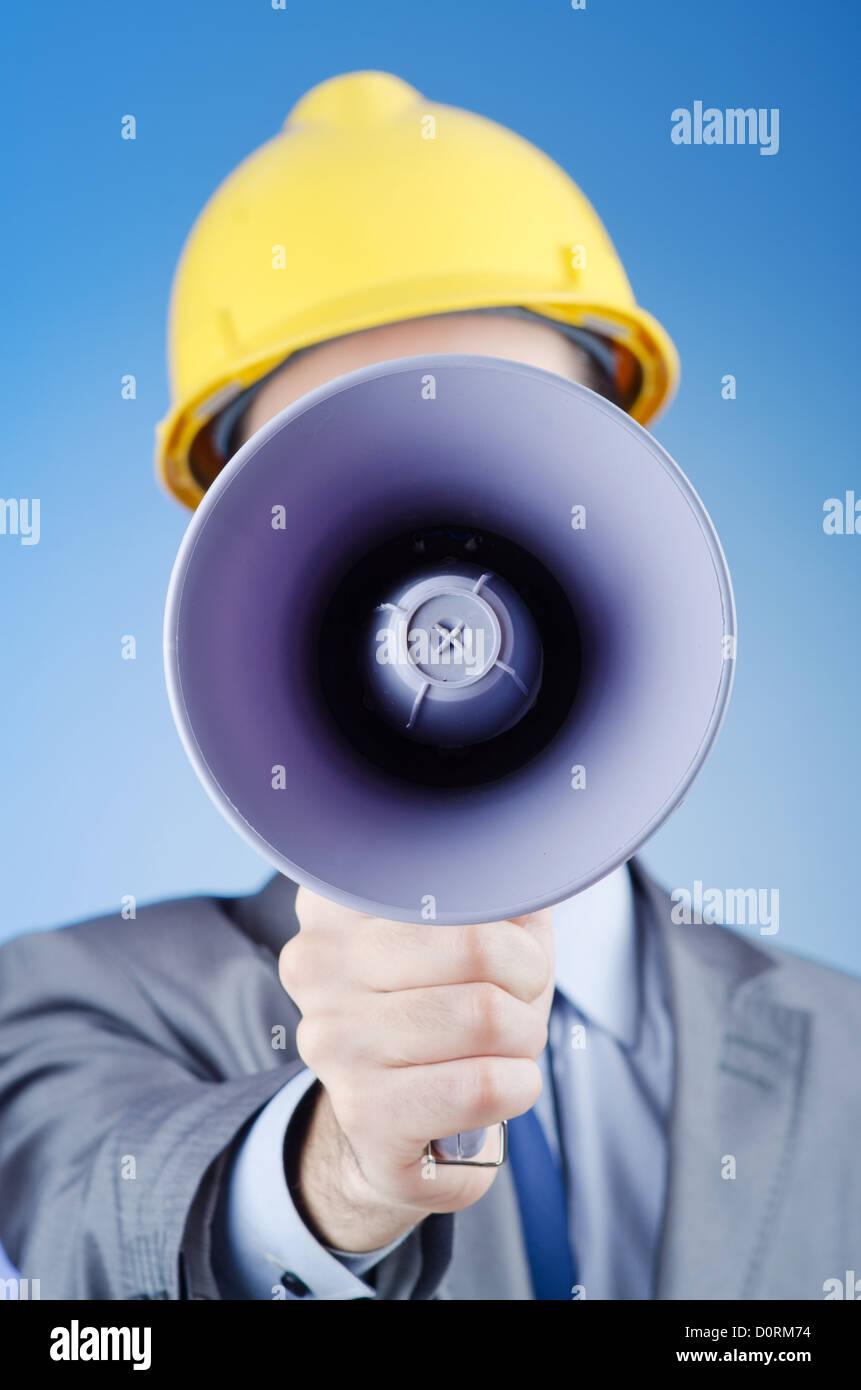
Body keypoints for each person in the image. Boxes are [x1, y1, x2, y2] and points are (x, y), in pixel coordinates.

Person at [0, 72, 858, 1303]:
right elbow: (104, 1239)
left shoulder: (848, 1048)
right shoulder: (84, 997)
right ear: (243, 559)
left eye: (506, 439)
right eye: (358, 470)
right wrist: (337, 1176)